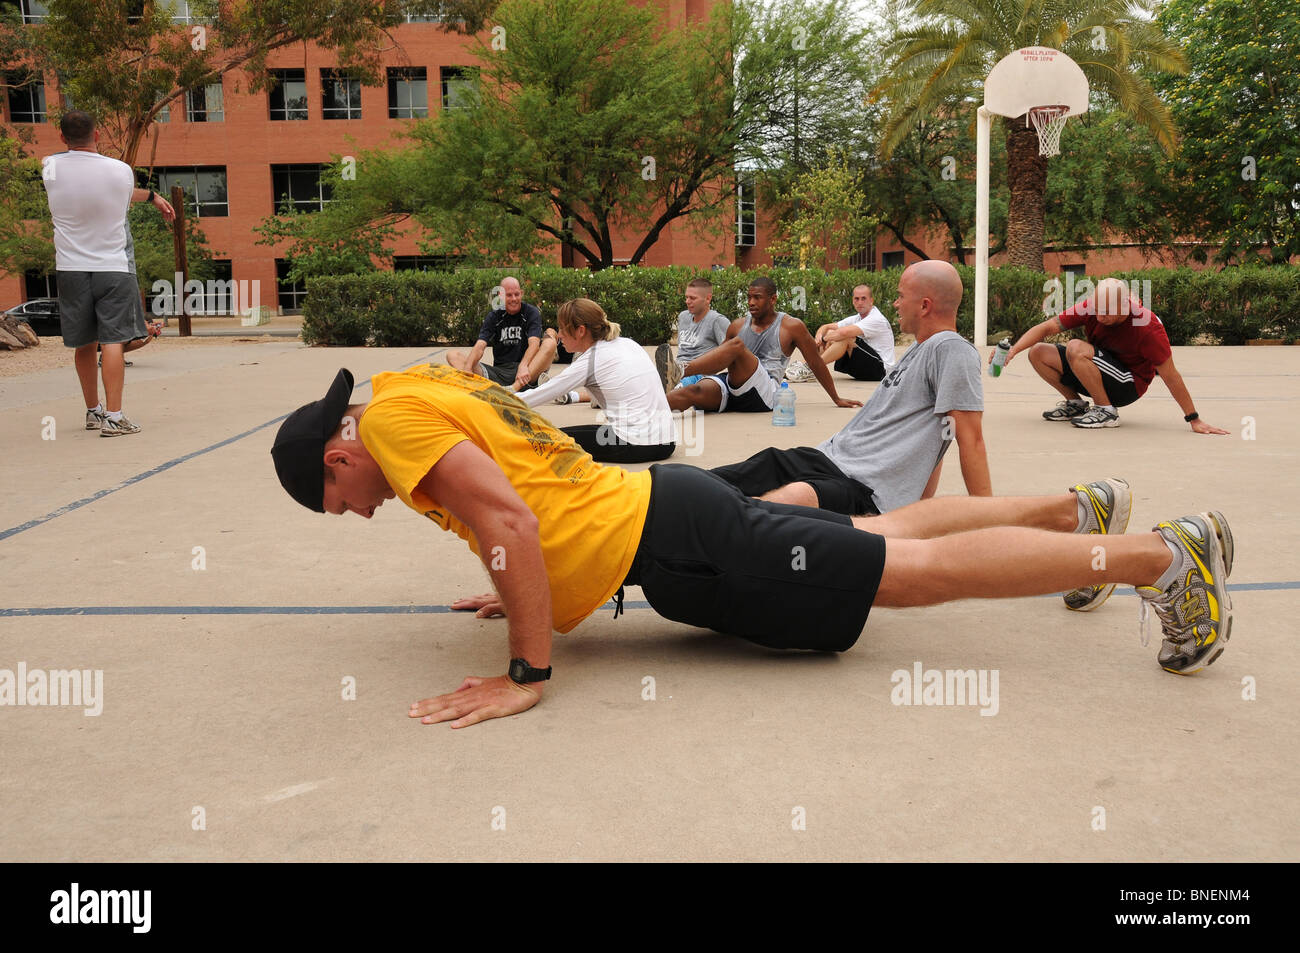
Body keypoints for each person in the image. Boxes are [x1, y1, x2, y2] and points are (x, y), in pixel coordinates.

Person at [270, 362, 1236, 728]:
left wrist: (528, 665)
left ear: (340, 449)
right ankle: (1078, 514)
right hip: (668, 513)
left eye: (336, 495)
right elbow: (535, 492)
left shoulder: (391, 434)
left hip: (684, 540)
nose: (355, 512)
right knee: (881, 530)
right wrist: (526, 581)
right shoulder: (415, 387)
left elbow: (512, 522)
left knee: (909, 576)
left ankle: (1160, 556)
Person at [711, 261, 989, 517]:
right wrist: (917, 507)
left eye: (901, 296)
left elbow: (970, 439)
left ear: (925, 306)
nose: (895, 303)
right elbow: (935, 440)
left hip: (863, 487)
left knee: (790, 498)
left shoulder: (951, 350)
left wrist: (990, 524)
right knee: (755, 468)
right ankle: (675, 491)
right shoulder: (920, 349)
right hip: (831, 458)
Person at [41, 110, 175, 436]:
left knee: (84, 343)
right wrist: (155, 197)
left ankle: (93, 411)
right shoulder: (121, 171)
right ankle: (114, 417)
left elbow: (73, 175)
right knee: (113, 340)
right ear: (97, 135)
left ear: (62, 137)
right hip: (113, 267)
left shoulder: (50, 166)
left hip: (71, 268)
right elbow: (123, 196)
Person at [1003, 278, 1229, 433]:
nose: (1100, 316)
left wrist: (1194, 418)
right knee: (1038, 352)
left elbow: (1171, 375)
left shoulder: (1147, 326)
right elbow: (1046, 327)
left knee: (1075, 347)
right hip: (1097, 368)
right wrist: (1013, 350)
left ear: (1125, 306)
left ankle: (1106, 411)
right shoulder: (1092, 308)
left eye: (1107, 312)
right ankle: (1075, 404)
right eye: (1097, 309)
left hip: (1128, 384)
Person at [665, 277, 862, 414]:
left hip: (766, 391)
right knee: (692, 392)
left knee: (737, 346)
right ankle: (640, 412)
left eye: (757, 297)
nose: (751, 302)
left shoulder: (791, 326)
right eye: (749, 297)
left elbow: (816, 363)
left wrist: (836, 398)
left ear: (773, 299)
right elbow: (719, 359)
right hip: (733, 388)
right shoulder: (738, 325)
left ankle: (681, 371)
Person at [518, 298, 675, 463]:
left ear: (581, 331)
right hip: (667, 441)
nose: (560, 335)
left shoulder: (591, 360)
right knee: (563, 434)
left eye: (563, 328)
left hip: (636, 445)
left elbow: (539, 395)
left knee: (542, 442)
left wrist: (492, 401)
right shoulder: (628, 343)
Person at [445, 277, 557, 390]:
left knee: (550, 344)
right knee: (453, 356)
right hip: (498, 373)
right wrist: (468, 369)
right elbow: (480, 346)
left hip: (527, 371)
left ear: (521, 294)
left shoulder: (531, 312)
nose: (514, 299)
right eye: (509, 295)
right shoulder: (494, 316)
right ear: (501, 295)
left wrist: (523, 366)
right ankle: (495, 388)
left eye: (517, 294)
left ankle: (514, 389)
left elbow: (534, 344)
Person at [786, 284, 895, 383]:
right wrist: (819, 337)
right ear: (853, 301)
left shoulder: (876, 318)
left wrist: (825, 339)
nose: (860, 302)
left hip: (880, 370)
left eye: (864, 298)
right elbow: (826, 327)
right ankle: (802, 367)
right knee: (831, 332)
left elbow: (845, 332)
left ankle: (812, 368)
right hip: (864, 366)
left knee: (845, 337)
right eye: (857, 299)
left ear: (871, 301)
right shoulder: (857, 318)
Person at [654, 277, 730, 392]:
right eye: (686, 297)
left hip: (699, 374)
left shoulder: (717, 320)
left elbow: (728, 354)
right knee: (649, 381)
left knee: (678, 389)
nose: (687, 301)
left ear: (708, 298)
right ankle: (668, 380)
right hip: (677, 369)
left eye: (692, 298)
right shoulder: (683, 317)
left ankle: (672, 388)